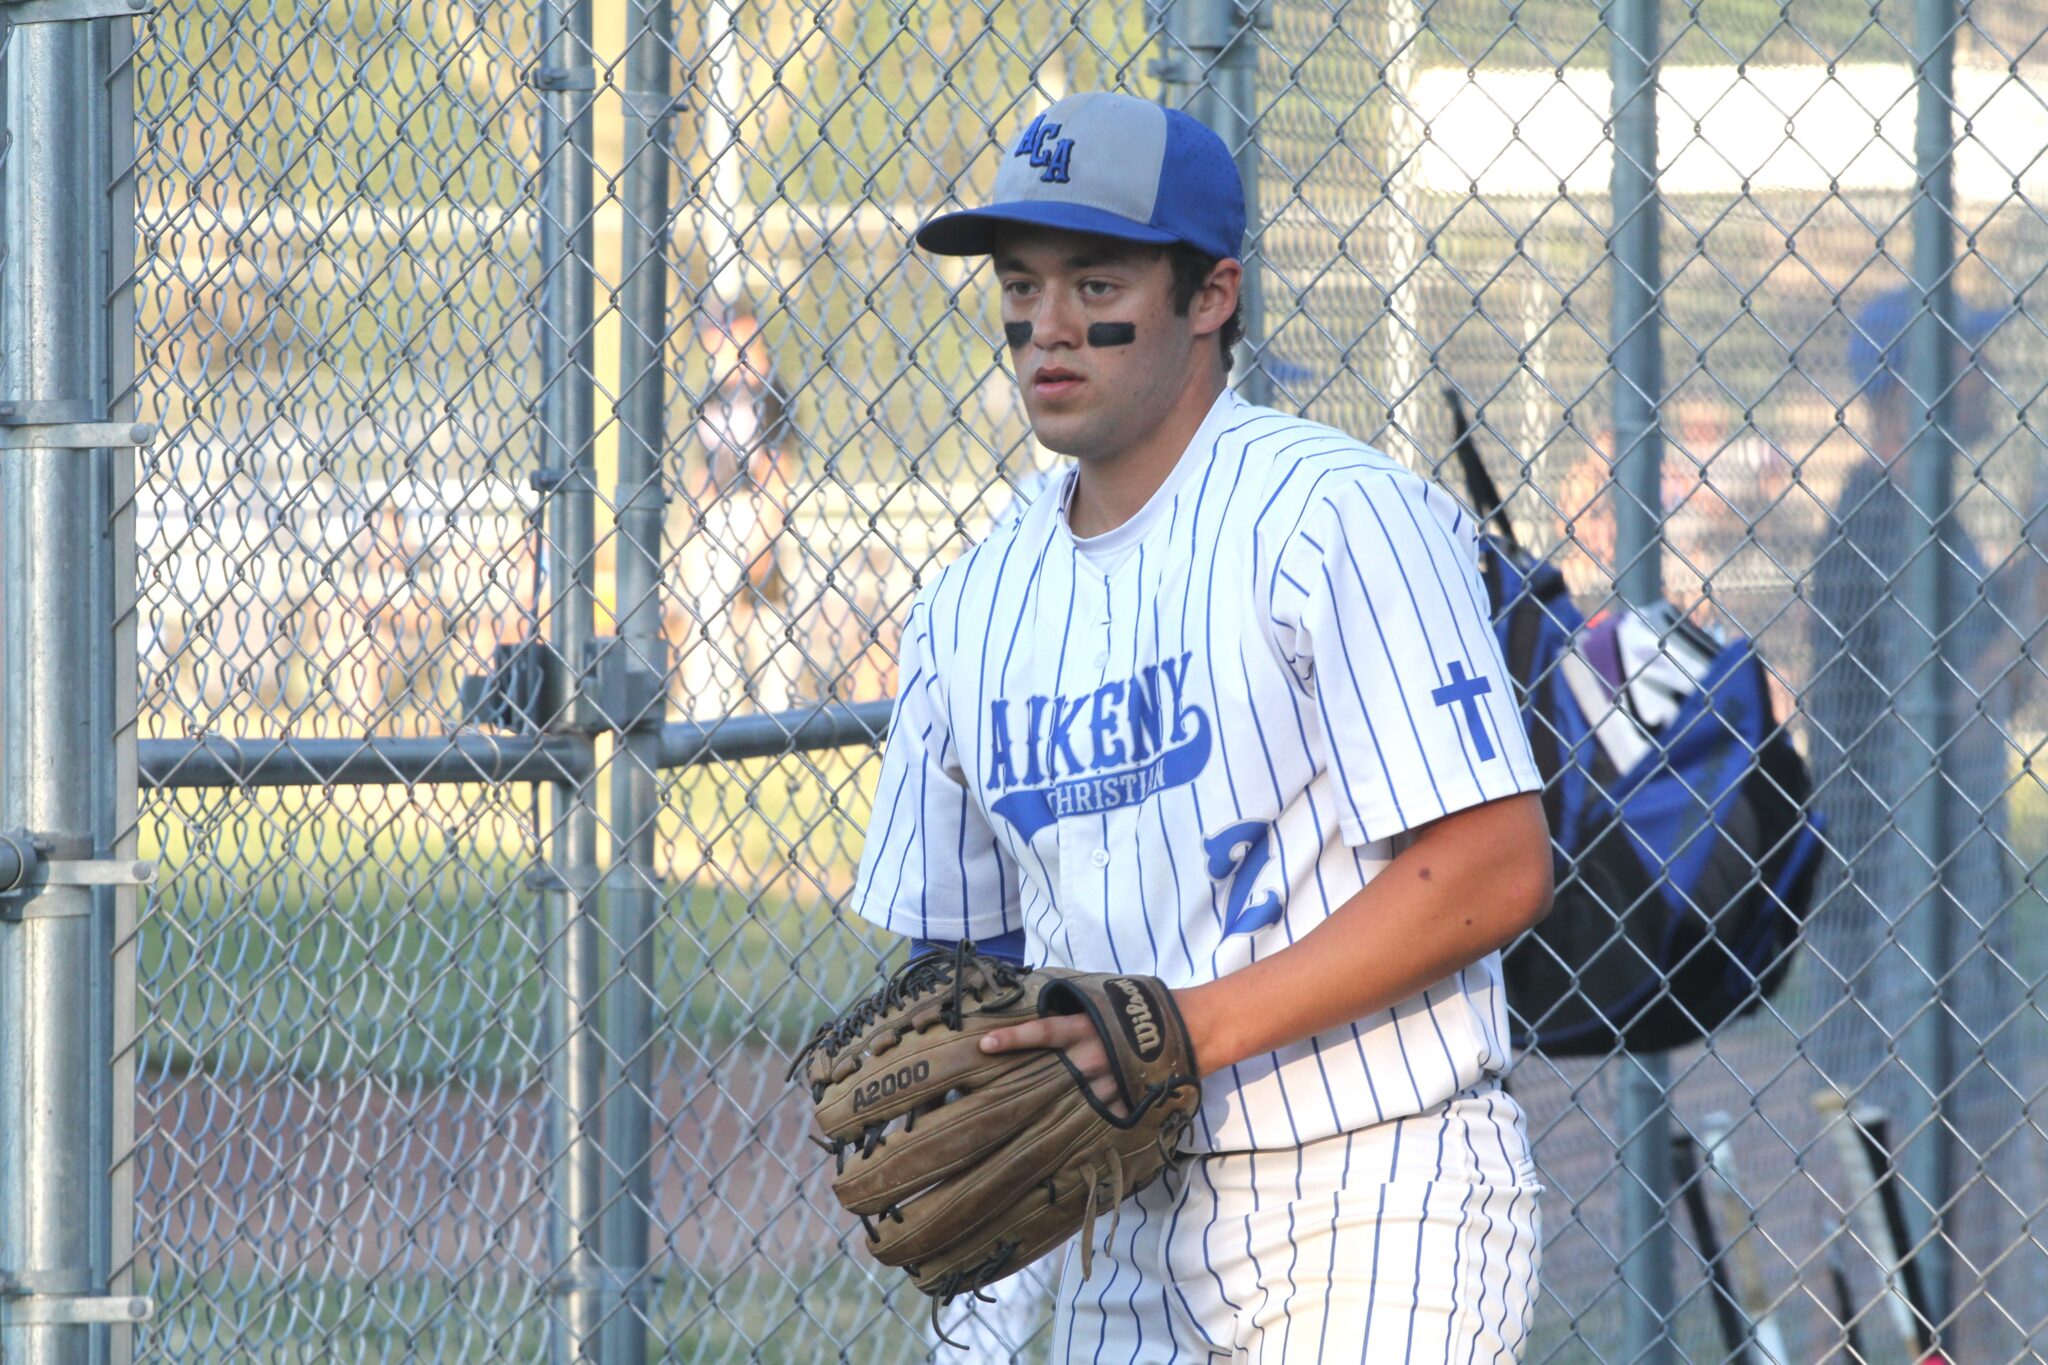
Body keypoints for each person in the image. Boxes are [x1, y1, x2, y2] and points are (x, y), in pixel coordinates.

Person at [844, 91, 1551, 1361]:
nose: (1045, 326)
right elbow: (960, 981)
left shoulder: (1329, 518)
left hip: (1375, 1194)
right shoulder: (966, 606)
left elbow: (1493, 865)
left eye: (1094, 279)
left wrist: (1189, 1028)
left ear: (1210, 295)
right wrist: (984, 1319)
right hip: (1113, 1219)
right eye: (1019, 283)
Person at [671, 302, 802, 713]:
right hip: (717, 514)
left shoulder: (772, 389)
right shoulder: (713, 392)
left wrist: (766, 532)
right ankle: (710, 709)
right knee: (708, 613)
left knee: (771, 616)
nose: (720, 347)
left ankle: (777, 708)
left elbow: (779, 465)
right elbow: (705, 466)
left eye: (730, 337)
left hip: (757, 508)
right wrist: (693, 527)